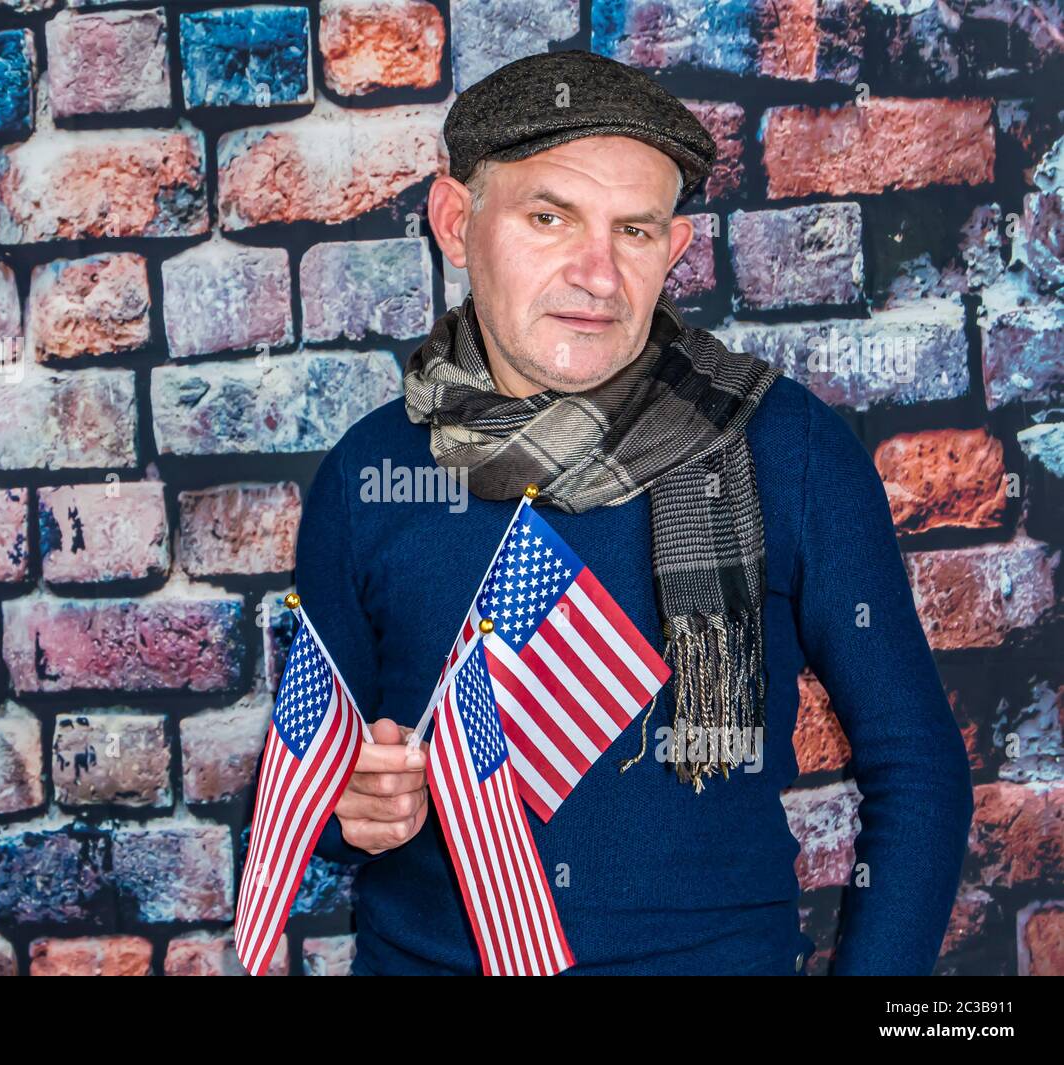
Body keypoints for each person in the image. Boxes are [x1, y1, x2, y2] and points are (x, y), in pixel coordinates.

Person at [291, 50, 974, 975]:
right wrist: (350, 811)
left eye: (637, 232)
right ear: (457, 221)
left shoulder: (786, 447)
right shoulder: (370, 473)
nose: (598, 275)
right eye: (548, 217)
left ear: (675, 250)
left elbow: (917, 768)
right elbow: (304, 797)